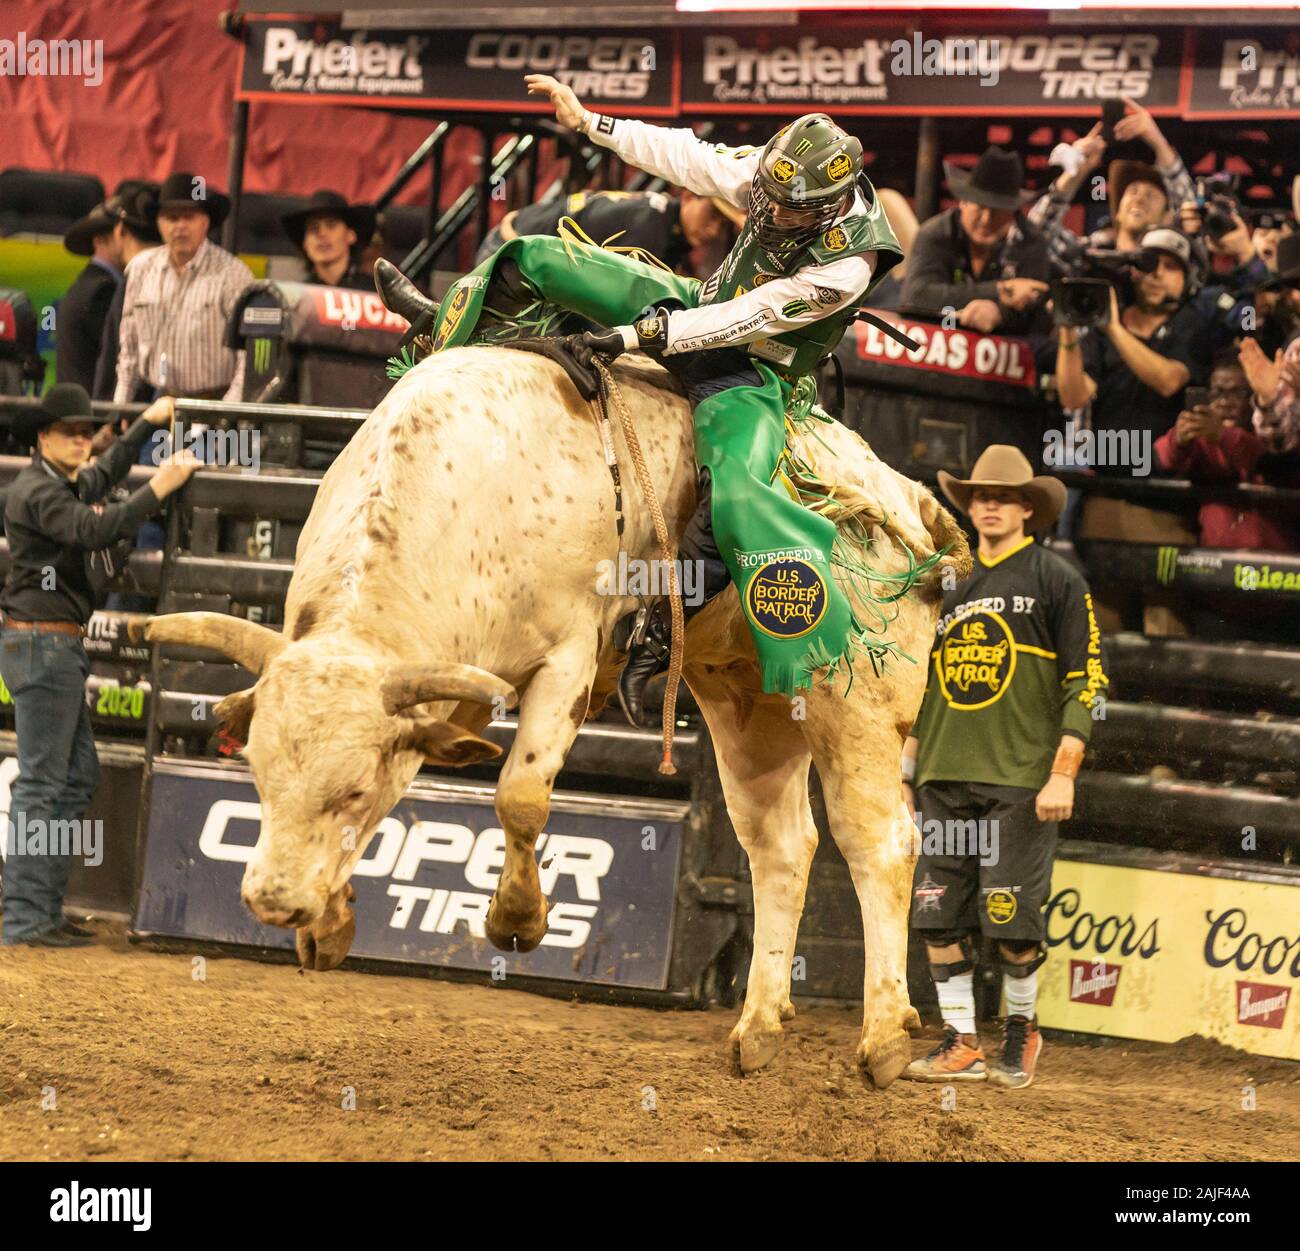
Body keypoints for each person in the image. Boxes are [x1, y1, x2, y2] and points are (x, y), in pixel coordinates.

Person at [376, 74, 904, 723]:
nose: (766, 214)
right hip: (696, 304)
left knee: (738, 498)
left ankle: (660, 637)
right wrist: (592, 123)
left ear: (827, 209)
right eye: (766, 197)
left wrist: (633, 334)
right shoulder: (773, 178)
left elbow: (744, 320)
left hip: (751, 369)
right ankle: (443, 327)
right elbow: (691, 157)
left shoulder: (847, 267)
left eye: (787, 211)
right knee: (537, 256)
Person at [901, 445, 1107, 1089]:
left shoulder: (1057, 579)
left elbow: (1088, 682)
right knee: (938, 915)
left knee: (1012, 923)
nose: (988, 503)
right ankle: (961, 1040)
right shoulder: (947, 583)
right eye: (978, 495)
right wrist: (906, 773)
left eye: (1002, 495)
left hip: (1021, 780)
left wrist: (1065, 770)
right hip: (942, 774)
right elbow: (924, 681)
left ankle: (1021, 1029)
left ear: (1027, 508)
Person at [0, 385, 198, 947]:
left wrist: (145, 425)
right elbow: (93, 528)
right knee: (43, 781)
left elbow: (103, 476)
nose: (83, 440)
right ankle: (24, 917)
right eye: (71, 432)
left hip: (48, 646)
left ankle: (37, 908)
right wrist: (159, 487)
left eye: (87, 431)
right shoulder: (39, 493)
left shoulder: (49, 484)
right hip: (44, 646)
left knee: (70, 776)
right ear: (43, 438)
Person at [1055, 226, 1211, 632]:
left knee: (1165, 627)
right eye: (1149, 264)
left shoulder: (1191, 326)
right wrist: (1068, 331)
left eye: (1171, 267)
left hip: (1165, 503)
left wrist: (1113, 329)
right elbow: (1072, 396)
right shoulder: (1104, 330)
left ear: (1188, 277)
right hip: (1106, 497)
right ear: (1134, 272)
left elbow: (1169, 380)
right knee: (1101, 629)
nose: (1157, 273)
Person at [113, 171, 254, 404]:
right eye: (171, 217)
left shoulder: (234, 274)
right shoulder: (141, 269)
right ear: (159, 223)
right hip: (160, 403)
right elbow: (129, 349)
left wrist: (228, 412)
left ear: (205, 222)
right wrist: (119, 410)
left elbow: (247, 357)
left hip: (215, 405)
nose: (180, 226)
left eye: (188, 217)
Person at [1029, 99, 1197, 275]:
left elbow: (1191, 214)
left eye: (1151, 195)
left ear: (1168, 217)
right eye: (1132, 191)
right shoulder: (1088, 256)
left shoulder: (1174, 267)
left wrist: (1157, 141)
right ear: (1118, 212)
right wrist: (1075, 172)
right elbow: (1034, 236)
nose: (1139, 199)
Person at [901, 145, 1050, 335]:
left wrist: (998, 313)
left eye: (997, 211)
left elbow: (1037, 313)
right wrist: (1001, 290)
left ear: (1014, 214)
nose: (987, 219)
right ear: (962, 202)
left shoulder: (1031, 242)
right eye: (980, 207)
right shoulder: (935, 233)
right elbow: (917, 296)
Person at [475, 187, 739, 272]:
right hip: (508, 253)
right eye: (712, 214)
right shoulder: (651, 232)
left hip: (522, 247)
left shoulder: (665, 220)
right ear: (689, 196)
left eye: (723, 223)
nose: (715, 230)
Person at [90, 181, 161, 401]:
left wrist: (107, 419)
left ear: (119, 229)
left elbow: (114, 353)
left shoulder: (134, 278)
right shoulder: (179, 277)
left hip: (136, 415)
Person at [280, 190, 376, 290]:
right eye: (314, 228)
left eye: (331, 225)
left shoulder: (377, 292)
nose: (322, 234)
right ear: (305, 243)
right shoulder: (298, 297)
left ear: (350, 235)